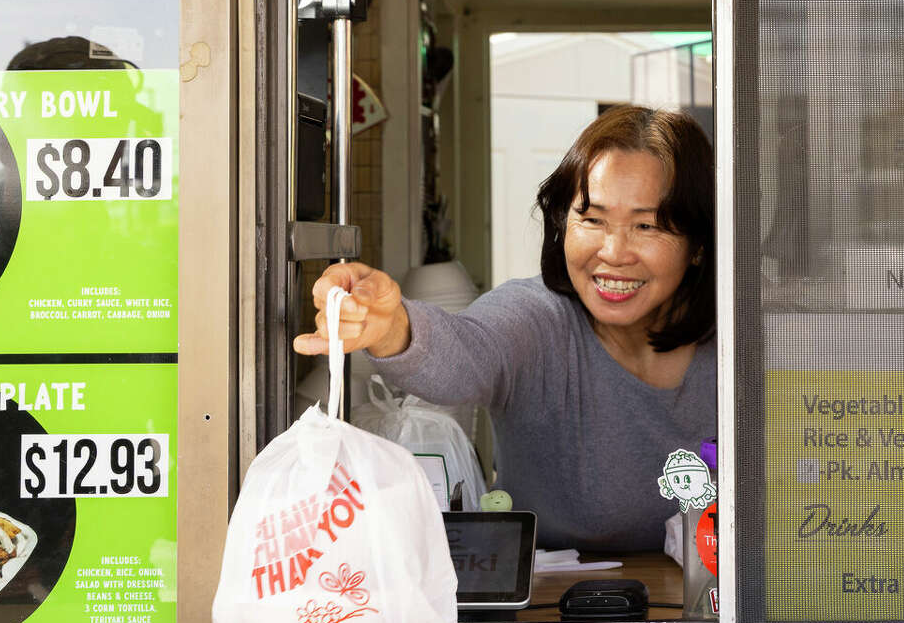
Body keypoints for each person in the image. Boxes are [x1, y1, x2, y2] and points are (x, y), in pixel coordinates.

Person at [295, 104, 716, 553]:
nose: (613, 251)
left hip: (719, 609)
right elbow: (468, 353)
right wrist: (392, 328)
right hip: (555, 611)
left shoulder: (742, 339)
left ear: (698, 245)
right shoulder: (536, 318)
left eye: (646, 225)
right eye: (591, 219)